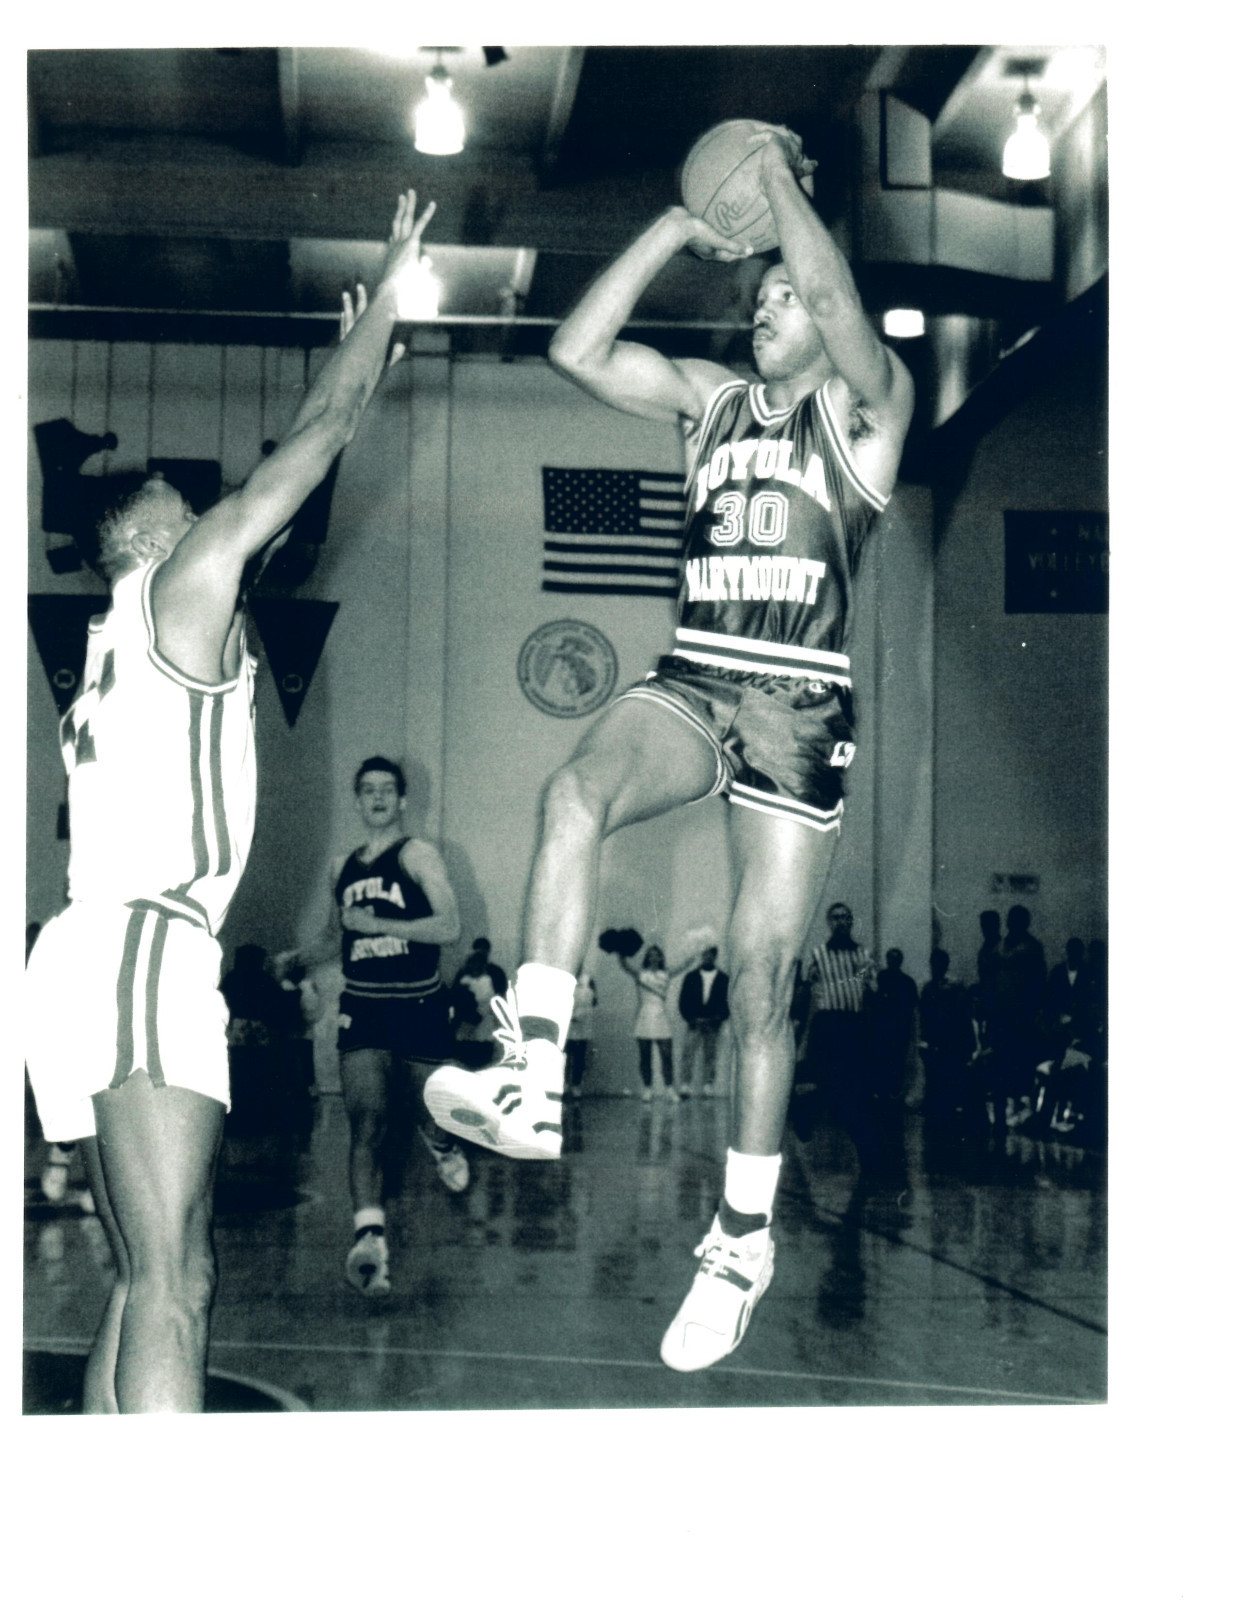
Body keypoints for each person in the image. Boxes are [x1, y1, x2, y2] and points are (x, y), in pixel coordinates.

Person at [424, 124, 913, 1372]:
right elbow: (574, 349)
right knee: (572, 789)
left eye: (787, 298)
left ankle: (740, 1238)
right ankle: (531, 1074)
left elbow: (846, 298)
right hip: (696, 669)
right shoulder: (707, 406)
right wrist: (683, 227)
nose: (767, 311)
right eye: (757, 297)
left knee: (760, 973)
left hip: (799, 697)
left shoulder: (867, 413)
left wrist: (784, 194)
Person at [22, 190, 437, 1411]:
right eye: (180, 508)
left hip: (85, 950)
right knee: (175, 1286)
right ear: (147, 544)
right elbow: (309, 441)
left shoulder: (111, 651)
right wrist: (383, 314)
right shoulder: (175, 589)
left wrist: (355, 375)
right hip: (148, 945)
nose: (207, 514)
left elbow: (300, 488)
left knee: (144, 1275)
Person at [279, 756, 467, 1297]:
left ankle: (441, 1142)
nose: (378, 798)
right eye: (368, 790)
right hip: (363, 1006)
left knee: (429, 1111)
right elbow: (337, 936)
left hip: (419, 1003)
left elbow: (449, 926)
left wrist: (381, 923)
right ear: (358, 801)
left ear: (403, 801)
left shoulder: (419, 855)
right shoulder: (344, 867)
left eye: (388, 790)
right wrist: (298, 958)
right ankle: (369, 1238)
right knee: (368, 1123)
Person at [613, 940, 696, 1102]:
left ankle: (670, 1089)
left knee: (666, 1055)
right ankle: (647, 1089)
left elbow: (683, 966)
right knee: (645, 1056)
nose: (654, 958)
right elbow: (626, 966)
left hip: (661, 1015)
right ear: (647, 958)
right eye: (651, 955)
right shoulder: (641, 974)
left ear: (660, 958)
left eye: (657, 955)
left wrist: (693, 950)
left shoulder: (666, 973)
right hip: (644, 1016)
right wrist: (620, 951)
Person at [677, 945, 731, 1097]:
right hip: (694, 1022)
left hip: (713, 1023)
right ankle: (685, 1086)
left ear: (715, 956)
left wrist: (718, 1018)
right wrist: (690, 1018)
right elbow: (683, 1000)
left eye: (710, 955)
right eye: (704, 954)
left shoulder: (723, 978)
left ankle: (708, 1086)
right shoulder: (691, 977)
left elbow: (728, 1003)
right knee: (688, 1053)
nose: (707, 957)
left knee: (710, 1055)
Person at [565, 972, 598, 1099]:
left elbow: (594, 1001)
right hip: (566, 1026)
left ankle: (576, 1085)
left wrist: (580, 1014)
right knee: (565, 1058)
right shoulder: (564, 975)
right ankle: (564, 1085)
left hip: (582, 1027)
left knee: (579, 1058)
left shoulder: (588, 979)